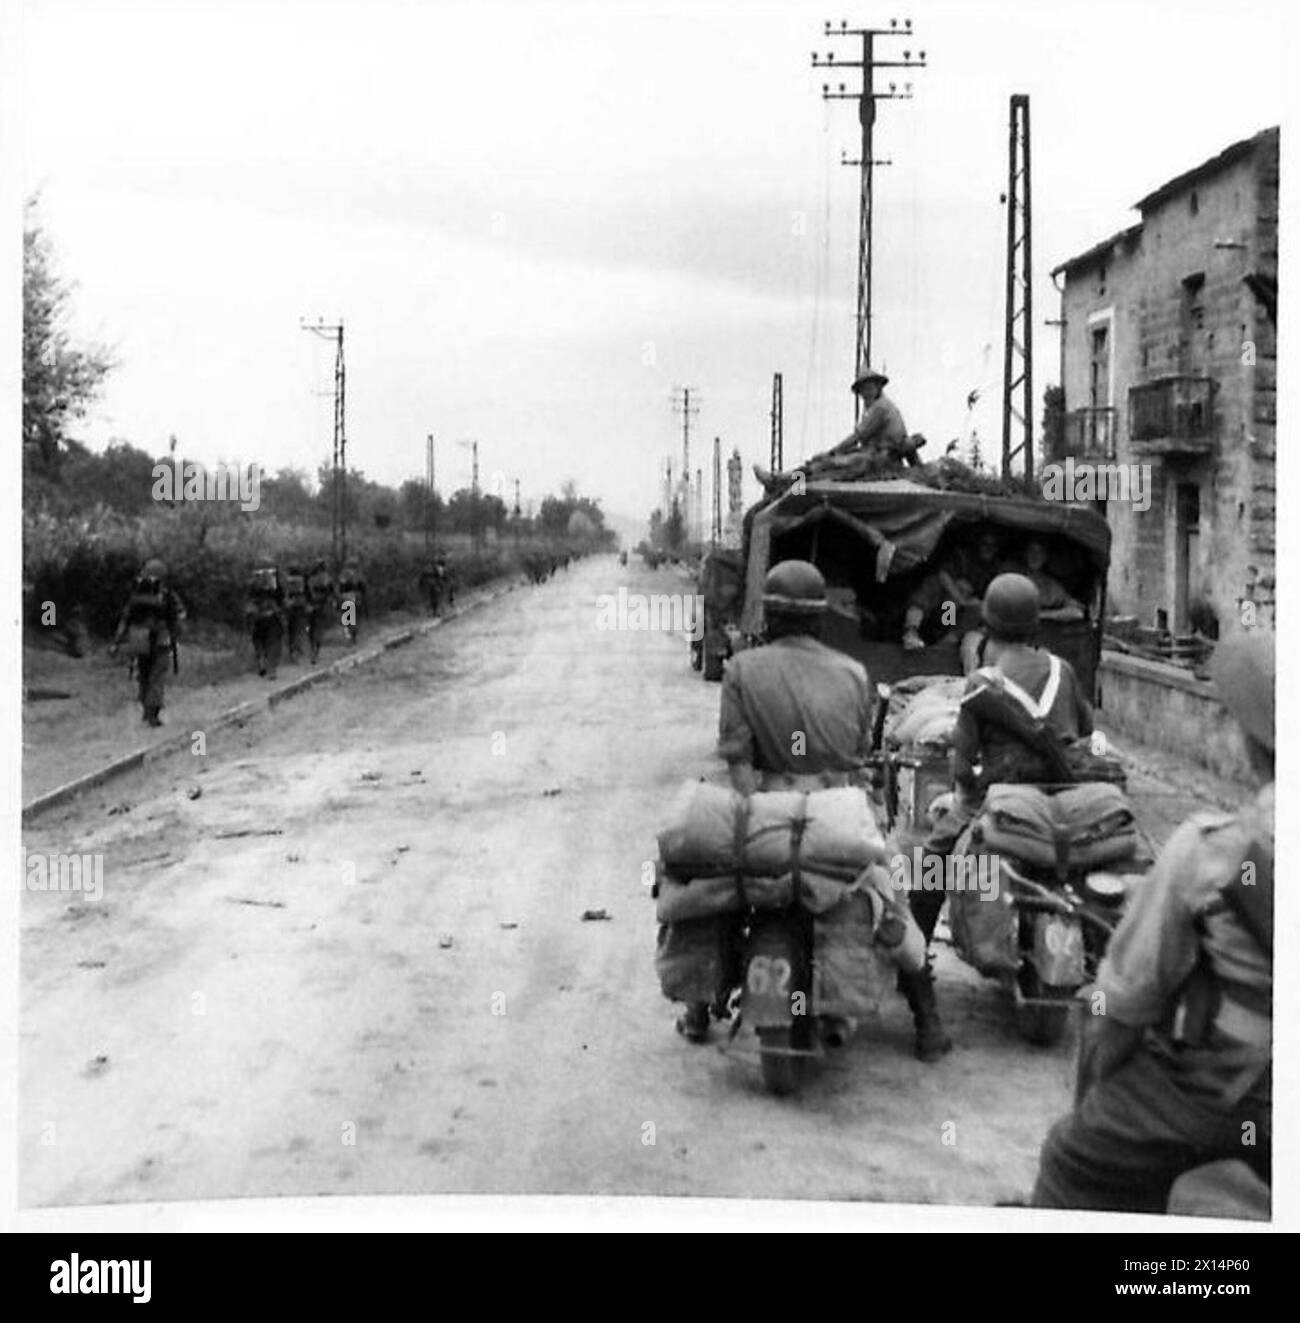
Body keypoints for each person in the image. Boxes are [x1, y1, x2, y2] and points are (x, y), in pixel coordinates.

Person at [1030, 631, 1273, 1213]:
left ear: (1249, 743)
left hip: (1228, 1096)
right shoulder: (1065, 675)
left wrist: (1093, 1100)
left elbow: (1121, 1009)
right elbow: (1086, 734)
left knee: (1071, 1157)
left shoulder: (1215, 849)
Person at [672, 560, 875, 1046]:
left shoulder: (742, 668)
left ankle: (699, 1009)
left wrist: (752, 819)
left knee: (709, 881)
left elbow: (739, 762)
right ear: (820, 618)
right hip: (836, 811)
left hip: (769, 808)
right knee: (886, 899)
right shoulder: (854, 673)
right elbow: (858, 757)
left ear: (769, 616)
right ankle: (926, 1016)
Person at [909, 573, 1094, 1060]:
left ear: (988, 626)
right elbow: (1085, 729)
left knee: (932, 860)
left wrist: (966, 789)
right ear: (1036, 625)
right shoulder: (1063, 670)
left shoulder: (981, 683)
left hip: (999, 798)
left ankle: (913, 968)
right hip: (1060, 796)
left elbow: (961, 763)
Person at [753, 367, 925, 495]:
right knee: (821, 464)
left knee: (825, 466)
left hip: (879, 459)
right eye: (863, 390)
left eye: (869, 388)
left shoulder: (881, 407)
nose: (865, 393)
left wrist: (833, 452)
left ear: (878, 387)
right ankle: (785, 482)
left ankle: (780, 481)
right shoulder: (880, 407)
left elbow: (857, 437)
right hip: (875, 455)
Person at [902, 528, 1005, 672]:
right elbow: (943, 575)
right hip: (944, 609)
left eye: (992, 546)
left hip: (958, 623)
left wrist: (968, 599)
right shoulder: (963, 556)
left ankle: (945, 643)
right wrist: (959, 595)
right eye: (984, 544)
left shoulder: (994, 568)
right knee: (934, 587)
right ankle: (911, 632)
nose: (988, 548)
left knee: (976, 608)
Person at [110, 558, 185, 727]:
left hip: (139, 638)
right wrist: (176, 634)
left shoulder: (137, 593)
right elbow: (178, 616)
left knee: (143, 674)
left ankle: (145, 709)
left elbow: (126, 618)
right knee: (157, 676)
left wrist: (117, 642)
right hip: (161, 640)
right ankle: (153, 713)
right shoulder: (167, 594)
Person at [245, 562, 285, 679]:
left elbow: (249, 601)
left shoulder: (253, 585)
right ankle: (271, 669)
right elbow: (281, 599)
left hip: (258, 617)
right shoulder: (276, 585)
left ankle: (261, 659)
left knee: (258, 640)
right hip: (272, 617)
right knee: (273, 642)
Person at [304, 559, 333, 663]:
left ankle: (312, 648)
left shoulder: (310, 579)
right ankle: (316, 651)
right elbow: (331, 592)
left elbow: (306, 593)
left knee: (311, 629)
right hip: (322, 606)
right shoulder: (326, 578)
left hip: (311, 606)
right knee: (319, 629)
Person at [281, 563, 309, 662]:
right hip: (299, 607)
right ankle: (296, 651)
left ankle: (292, 650)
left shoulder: (286, 581)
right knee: (299, 629)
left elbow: (284, 594)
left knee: (290, 630)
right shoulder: (302, 580)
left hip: (289, 607)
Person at [336, 562, 366, 644]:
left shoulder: (343, 576)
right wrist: (361, 597)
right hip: (354, 597)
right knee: (354, 617)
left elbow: (339, 588)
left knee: (347, 618)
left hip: (344, 597)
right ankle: (353, 636)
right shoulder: (357, 576)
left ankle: (348, 636)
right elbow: (363, 588)